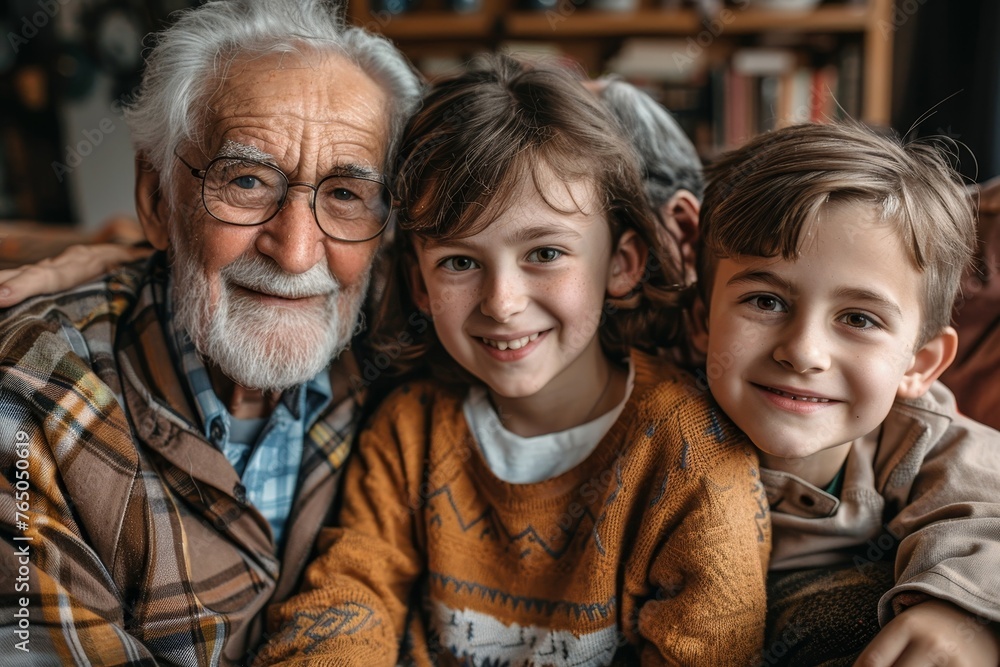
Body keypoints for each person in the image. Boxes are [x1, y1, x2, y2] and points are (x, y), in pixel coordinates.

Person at [252, 53, 770, 666]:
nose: (501, 303)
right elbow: (350, 594)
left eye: (545, 253)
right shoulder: (411, 429)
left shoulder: (693, 453)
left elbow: (707, 645)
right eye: (460, 262)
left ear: (622, 265)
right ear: (420, 285)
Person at [0, 0, 422, 662]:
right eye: (247, 181)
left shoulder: (414, 330)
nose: (296, 251)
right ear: (157, 197)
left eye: (344, 194)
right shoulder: (32, 395)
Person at [691, 121, 1000, 665]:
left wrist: (957, 613)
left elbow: (990, 515)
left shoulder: (921, 438)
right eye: (765, 302)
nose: (804, 352)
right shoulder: (662, 421)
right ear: (700, 322)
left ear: (919, 364)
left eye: (858, 318)